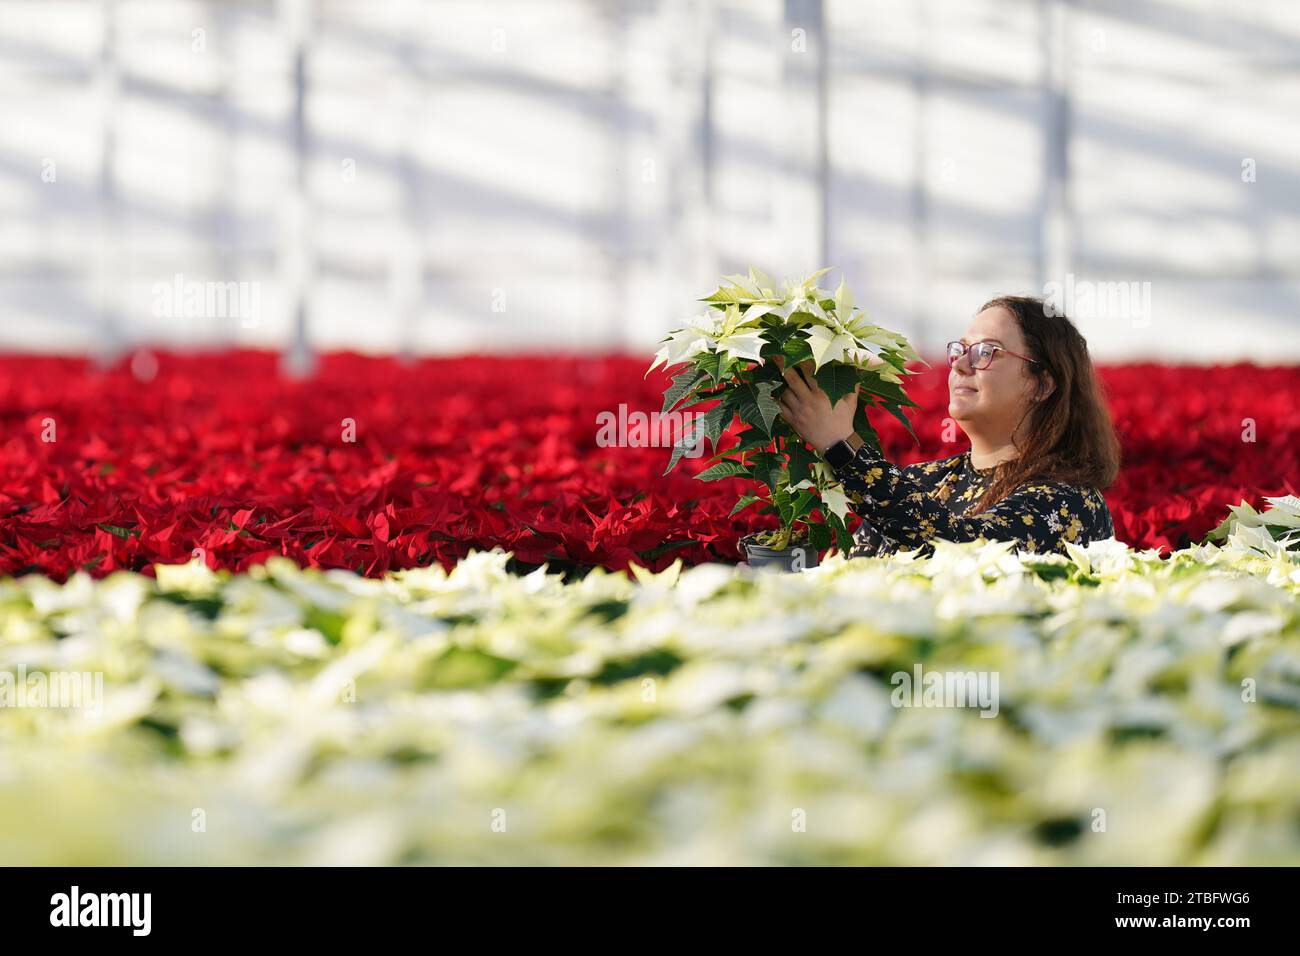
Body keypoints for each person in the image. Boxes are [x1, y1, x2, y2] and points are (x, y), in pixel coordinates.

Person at [776, 295, 1120, 558]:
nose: (961, 364)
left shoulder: (1071, 503)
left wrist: (842, 446)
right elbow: (857, 576)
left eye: (987, 351)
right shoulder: (922, 482)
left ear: (1042, 384)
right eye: (961, 349)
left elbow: (963, 550)